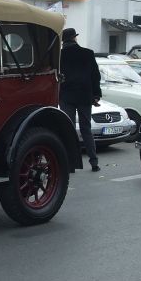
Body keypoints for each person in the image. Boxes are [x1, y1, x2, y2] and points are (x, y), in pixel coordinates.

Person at [59, 27, 102, 172]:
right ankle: (94, 162)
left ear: (63, 40)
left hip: (66, 97)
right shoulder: (87, 53)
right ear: (75, 38)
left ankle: (71, 164)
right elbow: (95, 76)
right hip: (84, 96)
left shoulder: (59, 55)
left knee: (69, 130)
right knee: (86, 129)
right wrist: (96, 95)